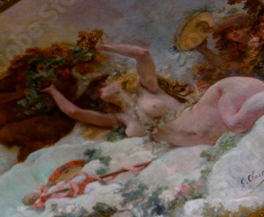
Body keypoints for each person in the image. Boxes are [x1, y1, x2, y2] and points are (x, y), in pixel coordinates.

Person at [42, 42, 264, 147]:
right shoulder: (119, 118)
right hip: (211, 140)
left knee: (236, 123)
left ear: (120, 83)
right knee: (237, 126)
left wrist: (104, 46)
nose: (99, 90)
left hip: (218, 106)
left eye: (105, 83)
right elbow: (74, 111)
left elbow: (142, 54)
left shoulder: (147, 88)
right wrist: (51, 91)